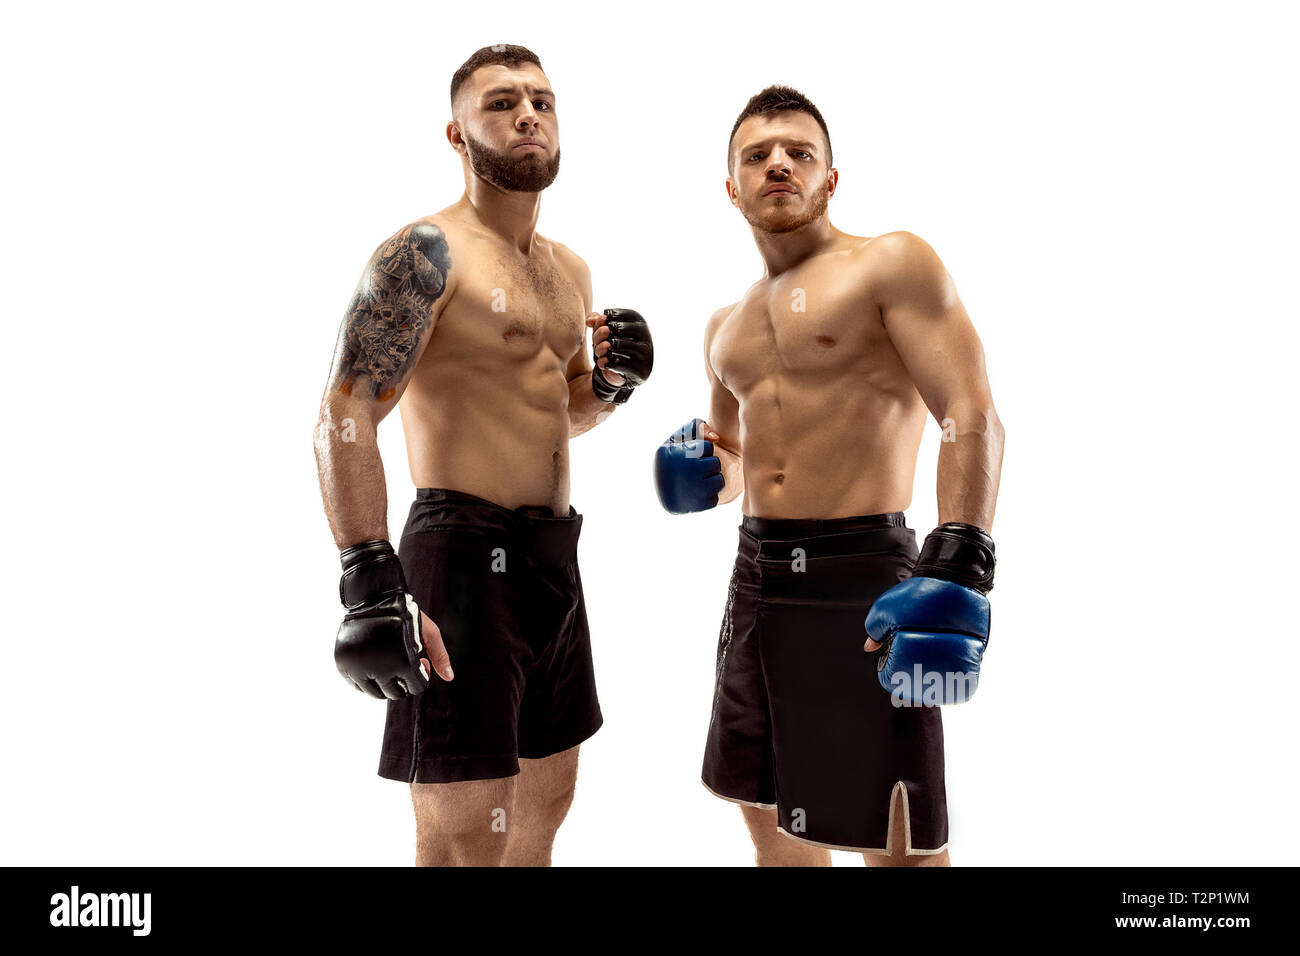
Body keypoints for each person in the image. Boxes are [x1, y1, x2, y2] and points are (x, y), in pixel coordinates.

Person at [313, 44, 653, 867]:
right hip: (459, 557)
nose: (527, 113)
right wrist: (367, 574)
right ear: (457, 135)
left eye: (541, 99)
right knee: (467, 832)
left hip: (553, 556)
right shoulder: (425, 254)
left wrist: (610, 384)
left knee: (543, 809)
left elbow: (557, 412)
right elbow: (347, 406)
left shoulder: (568, 270)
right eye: (500, 103)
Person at [654, 86, 1003, 866]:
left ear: (831, 178)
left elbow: (971, 414)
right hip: (757, 578)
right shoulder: (724, 327)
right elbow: (738, 461)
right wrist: (705, 472)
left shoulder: (892, 262)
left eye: (799, 152)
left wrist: (961, 558)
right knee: (769, 812)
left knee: (896, 834)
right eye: (757, 155)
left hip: (866, 575)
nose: (778, 163)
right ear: (731, 187)